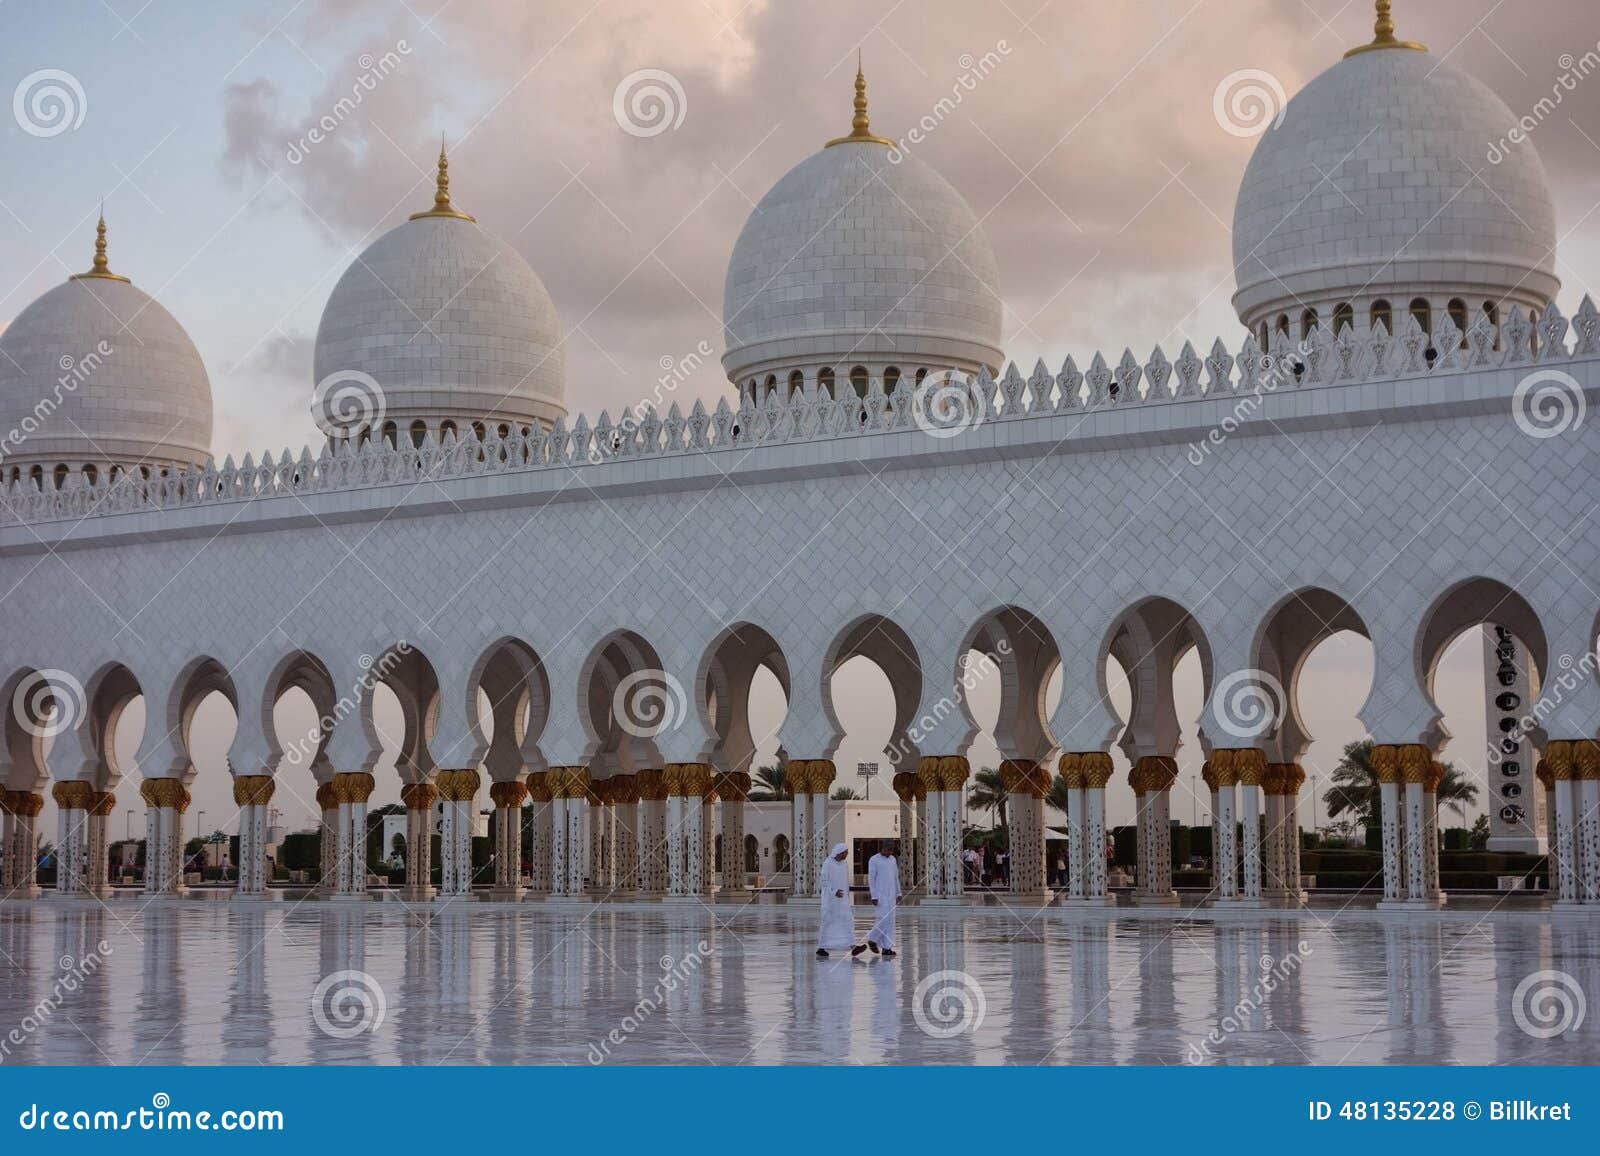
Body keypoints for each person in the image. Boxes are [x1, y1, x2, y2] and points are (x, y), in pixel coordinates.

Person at [816, 843, 863, 958]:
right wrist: (834, 891)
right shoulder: (828, 863)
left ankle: (852, 946)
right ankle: (822, 947)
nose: (847, 854)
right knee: (828, 922)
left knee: (847, 921)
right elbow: (824, 881)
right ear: (839, 852)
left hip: (843, 900)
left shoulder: (844, 864)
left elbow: (845, 882)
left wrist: (846, 896)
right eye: (845, 852)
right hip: (830, 900)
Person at [866, 841, 903, 957]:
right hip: (880, 895)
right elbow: (871, 879)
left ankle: (887, 948)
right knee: (882, 919)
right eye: (888, 850)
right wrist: (874, 895)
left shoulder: (892, 860)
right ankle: (872, 938)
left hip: (891, 895)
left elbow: (895, 877)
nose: (889, 852)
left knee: (891, 921)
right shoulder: (874, 860)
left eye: (891, 850)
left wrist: (898, 892)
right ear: (882, 848)